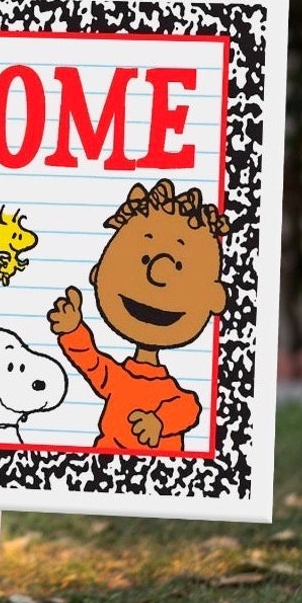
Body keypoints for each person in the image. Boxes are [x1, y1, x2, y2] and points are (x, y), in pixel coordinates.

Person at [47, 179, 229, 453]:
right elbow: (92, 362)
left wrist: (159, 422)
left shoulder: (170, 392)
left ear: (214, 297)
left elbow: (189, 407)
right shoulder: (118, 378)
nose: (158, 274)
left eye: (179, 266)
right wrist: (73, 330)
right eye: (143, 259)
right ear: (100, 273)